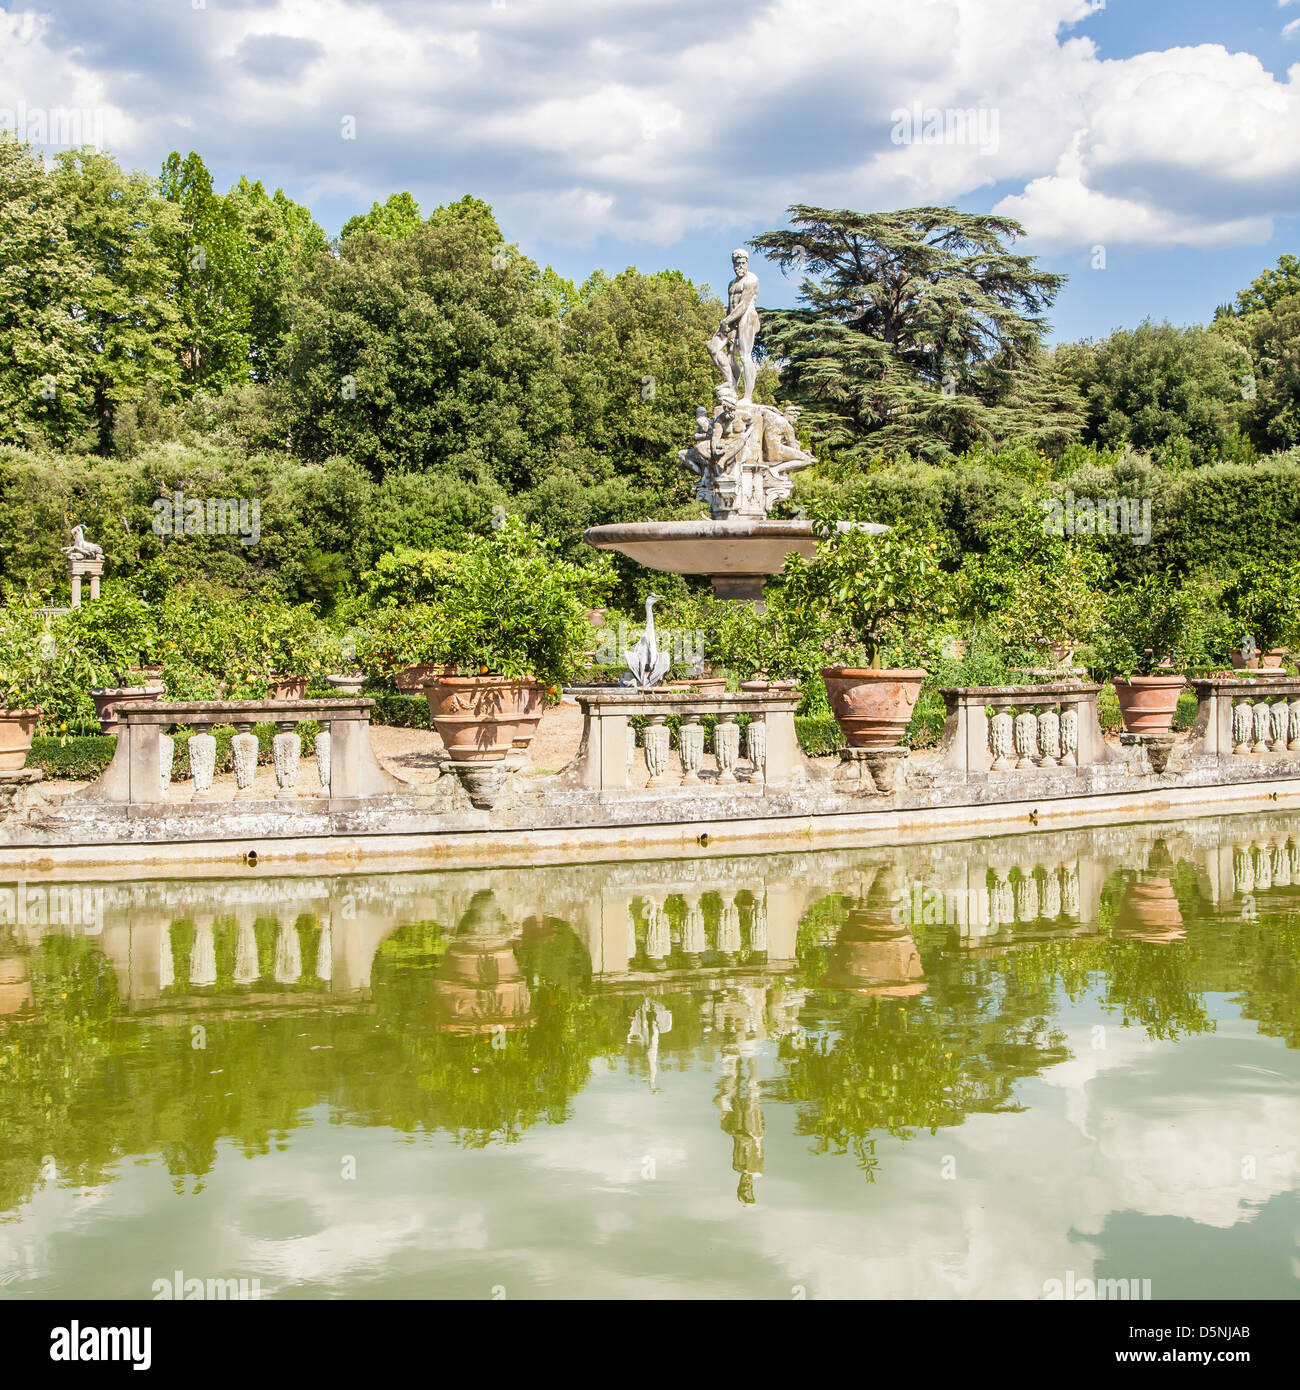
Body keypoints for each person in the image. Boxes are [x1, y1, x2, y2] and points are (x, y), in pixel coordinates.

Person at [707, 248, 760, 401]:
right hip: (731, 319)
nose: (740, 266)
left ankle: (748, 397)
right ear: (733, 264)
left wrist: (726, 321)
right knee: (713, 347)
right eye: (737, 264)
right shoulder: (732, 283)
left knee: (744, 356)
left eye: (743, 263)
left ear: (747, 263)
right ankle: (731, 383)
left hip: (747, 317)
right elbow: (730, 305)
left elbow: (743, 305)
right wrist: (727, 324)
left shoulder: (751, 279)